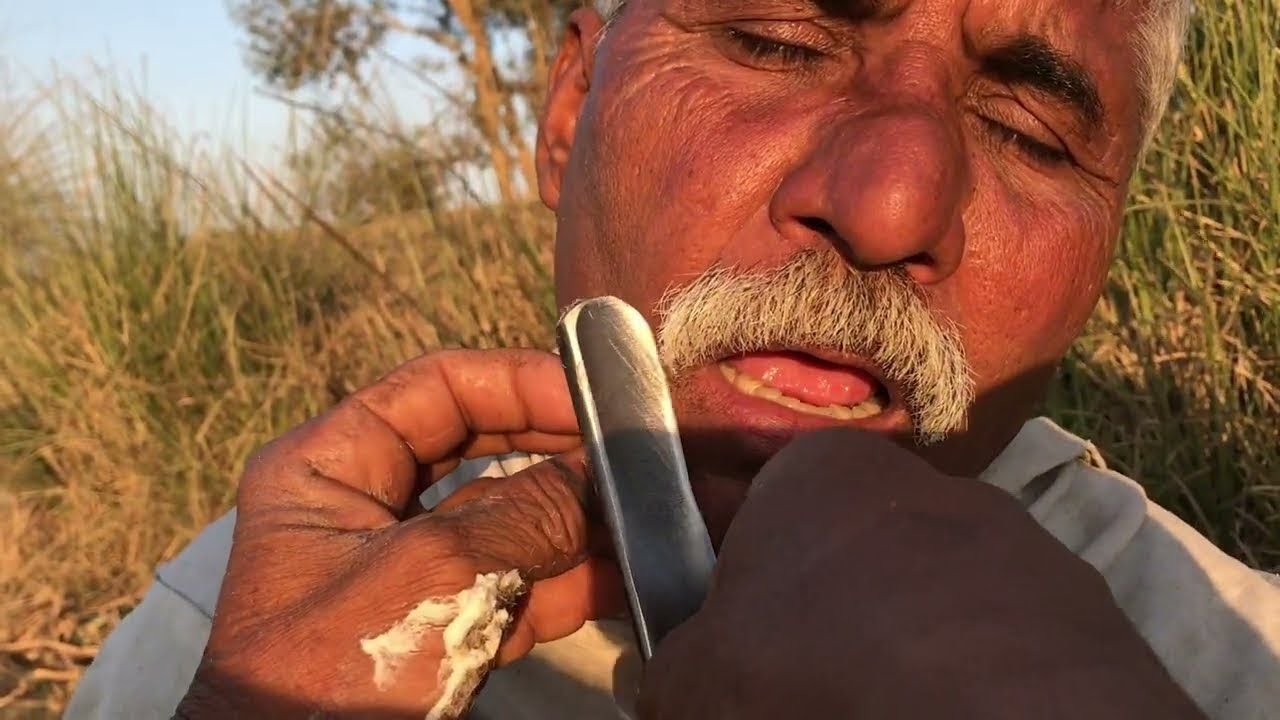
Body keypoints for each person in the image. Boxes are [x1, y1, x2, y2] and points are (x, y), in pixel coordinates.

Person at [66, 0, 1280, 718]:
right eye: (772, 41)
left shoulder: (1226, 664)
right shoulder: (267, 637)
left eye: (1025, 131)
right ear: (565, 119)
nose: (892, 203)